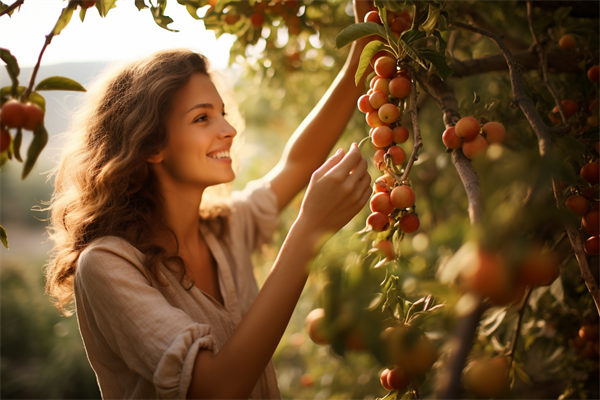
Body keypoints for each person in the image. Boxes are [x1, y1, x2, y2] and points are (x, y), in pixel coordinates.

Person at [44, 1, 373, 399]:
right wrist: (309, 232)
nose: (229, 129)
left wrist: (363, 50)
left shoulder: (226, 228)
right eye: (203, 118)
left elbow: (298, 162)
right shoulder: (108, 266)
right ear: (151, 144)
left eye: (222, 113)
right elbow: (215, 389)